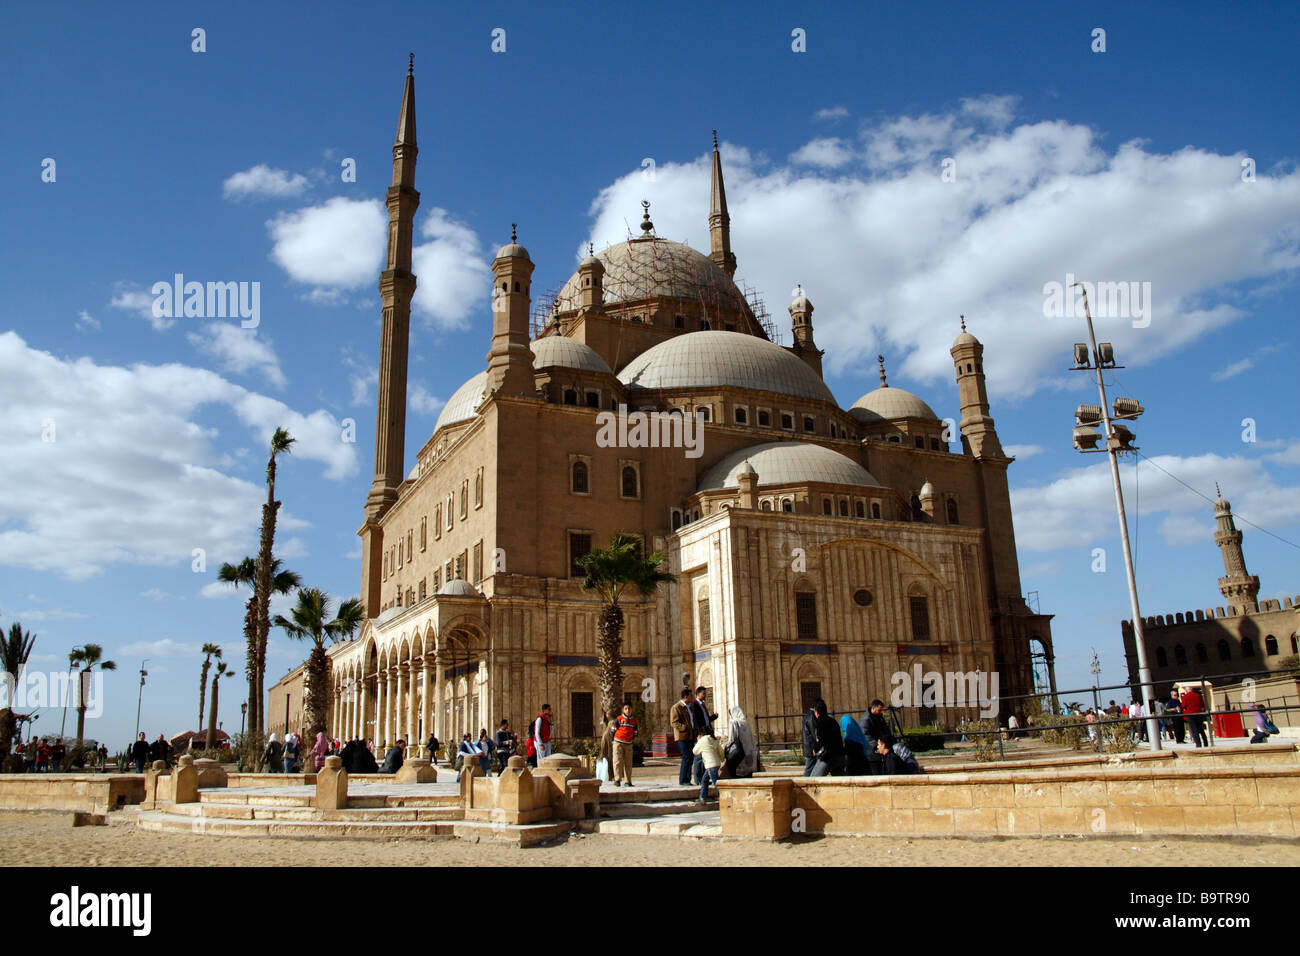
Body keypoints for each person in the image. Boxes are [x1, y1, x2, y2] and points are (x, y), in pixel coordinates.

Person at [690, 687, 717, 785]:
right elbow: (695, 720)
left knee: (704, 756)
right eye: (703, 693)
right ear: (698, 694)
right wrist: (698, 733)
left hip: (706, 732)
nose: (705, 695)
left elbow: (705, 719)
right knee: (698, 757)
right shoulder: (695, 704)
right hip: (700, 734)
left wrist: (713, 717)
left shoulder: (702, 705)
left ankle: (703, 779)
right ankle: (698, 779)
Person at [809, 700, 843, 777]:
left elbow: (822, 740)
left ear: (816, 712)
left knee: (813, 780)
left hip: (828, 756)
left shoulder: (820, 722)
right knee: (841, 779)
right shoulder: (833, 721)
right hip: (839, 755)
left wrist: (816, 749)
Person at [670, 688, 697, 785]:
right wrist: (684, 728)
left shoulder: (689, 707)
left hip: (690, 736)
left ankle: (688, 779)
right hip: (682, 736)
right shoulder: (676, 707)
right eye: (691, 695)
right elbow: (674, 722)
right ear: (686, 697)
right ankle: (683, 780)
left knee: (690, 757)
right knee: (686, 757)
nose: (693, 697)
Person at [692, 729, 724, 804]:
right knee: (704, 780)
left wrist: (698, 741)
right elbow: (721, 752)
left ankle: (723, 796)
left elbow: (695, 751)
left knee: (715, 782)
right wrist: (722, 759)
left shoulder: (702, 740)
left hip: (710, 764)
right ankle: (702, 797)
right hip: (716, 763)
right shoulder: (714, 740)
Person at [727, 705, 759, 778]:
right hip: (748, 750)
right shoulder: (747, 723)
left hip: (739, 750)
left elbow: (731, 738)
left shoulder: (733, 723)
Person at [611, 702, 637, 787]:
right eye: (626, 709)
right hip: (618, 742)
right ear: (623, 710)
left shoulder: (634, 721)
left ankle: (628, 781)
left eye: (629, 708)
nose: (628, 710)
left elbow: (635, 732)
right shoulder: (619, 719)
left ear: (632, 710)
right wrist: (613, 741)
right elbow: (613, 730)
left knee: (628, 762)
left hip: (628, 743)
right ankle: (617, 779)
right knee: (617, 761)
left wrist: (631, 740)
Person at [801, 701, 820, 777]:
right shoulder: (811, 717)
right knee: (810, 767)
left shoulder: (807, 715)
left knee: (811, 766)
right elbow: (813, 733)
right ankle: (805, 784)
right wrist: (815, 747)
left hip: (808, 746)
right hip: (811, 747)